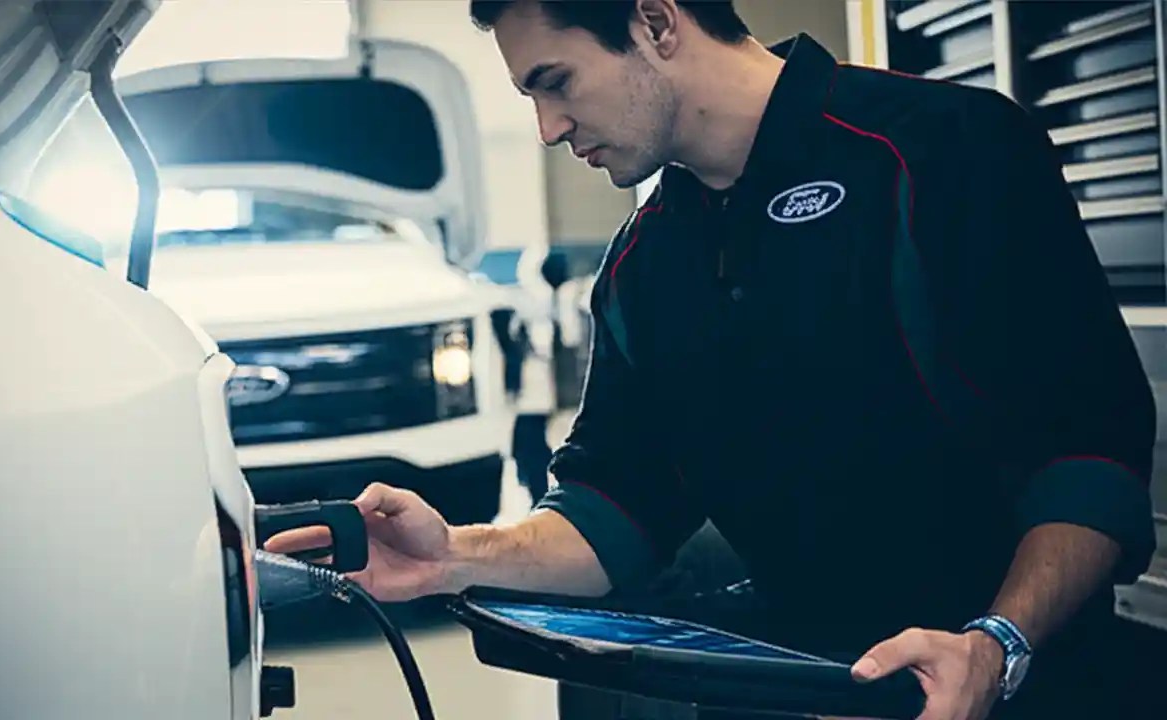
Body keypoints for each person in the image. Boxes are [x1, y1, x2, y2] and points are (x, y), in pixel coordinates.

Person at [267, 2, 1162, 718]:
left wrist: (996, 645)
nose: (545, 128)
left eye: (555, 81)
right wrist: (453, 555)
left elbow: (1090, 455)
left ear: (656, 23)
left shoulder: (946, 149)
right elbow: (612, 511)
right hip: (803, 685)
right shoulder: (643, 267)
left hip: (1021, 680)